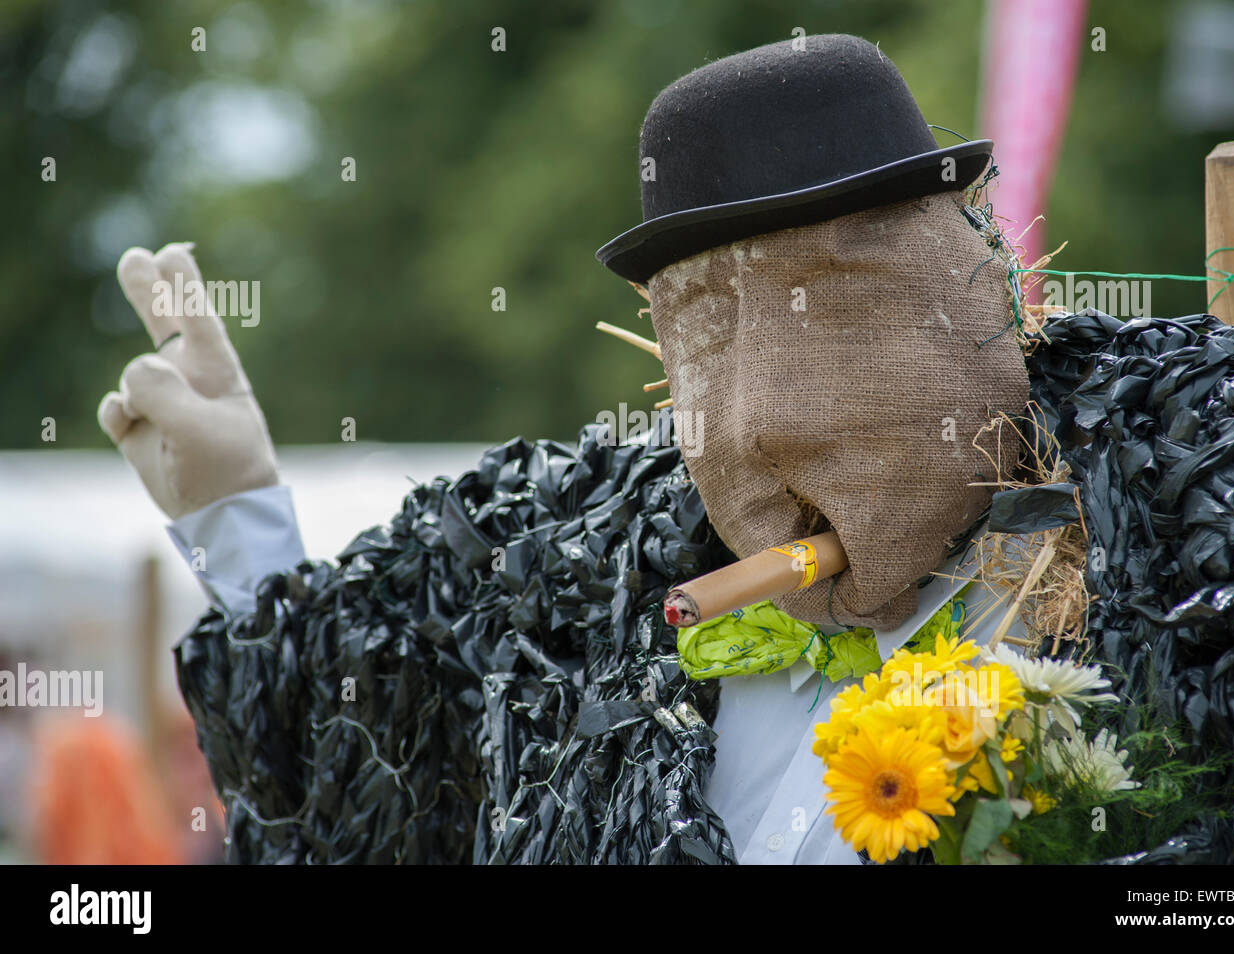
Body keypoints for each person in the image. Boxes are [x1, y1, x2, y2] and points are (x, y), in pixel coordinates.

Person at [98, 34, 1031, 864]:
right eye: (714, 340)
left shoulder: (1126, 591)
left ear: (963, 292)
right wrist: (239, 519)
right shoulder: (591, 607)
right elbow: (366, 773)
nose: (762, 424)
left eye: (834, 328)